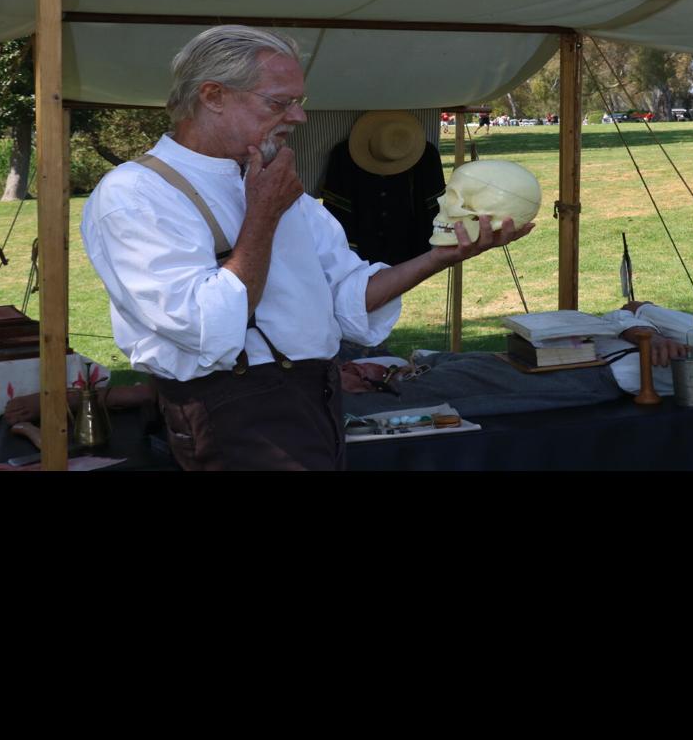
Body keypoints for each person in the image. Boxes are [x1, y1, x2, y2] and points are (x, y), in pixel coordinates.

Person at [80, 25, 533, 470]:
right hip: (234, 413)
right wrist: (262, 213)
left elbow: (348, 295)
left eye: (299, 102)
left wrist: (442, 256)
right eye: (279, 103)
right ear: (213, 96)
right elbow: (208, 326)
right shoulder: (138, 195)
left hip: (314, 396)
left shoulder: (271, 179)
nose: (297, 117)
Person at [339, 302, 693, 419]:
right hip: (582, 360)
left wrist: (639, 323)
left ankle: (329, 406)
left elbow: (637, 308)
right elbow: (628, 312)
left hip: (588, 372)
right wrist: (636, 327)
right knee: (459, 374)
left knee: (454, 387)